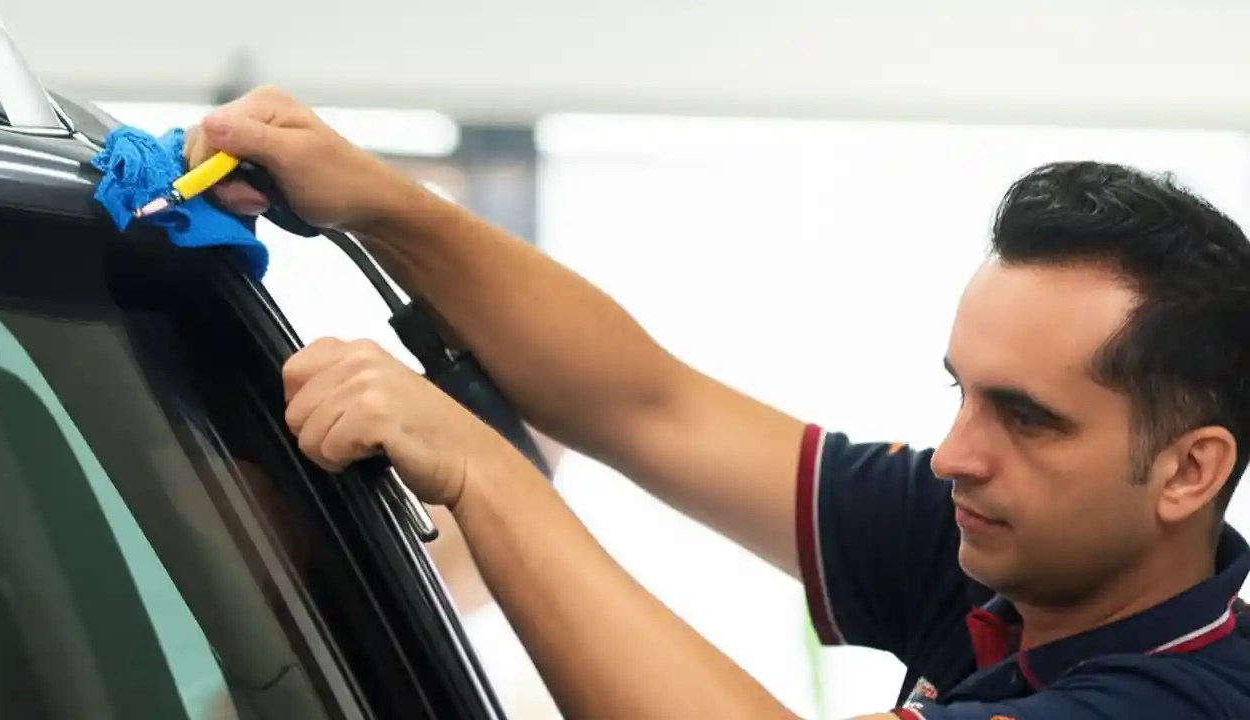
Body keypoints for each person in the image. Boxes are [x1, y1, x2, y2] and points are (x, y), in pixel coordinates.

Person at [184, 86, 1250, 719]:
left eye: (1026, 418)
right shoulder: (1004, 546)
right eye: (958, 394)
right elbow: (649, 407)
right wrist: (374, 197)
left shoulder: (1192, 699)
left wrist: (479, 474)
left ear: (1187, 470)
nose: (952, 455)